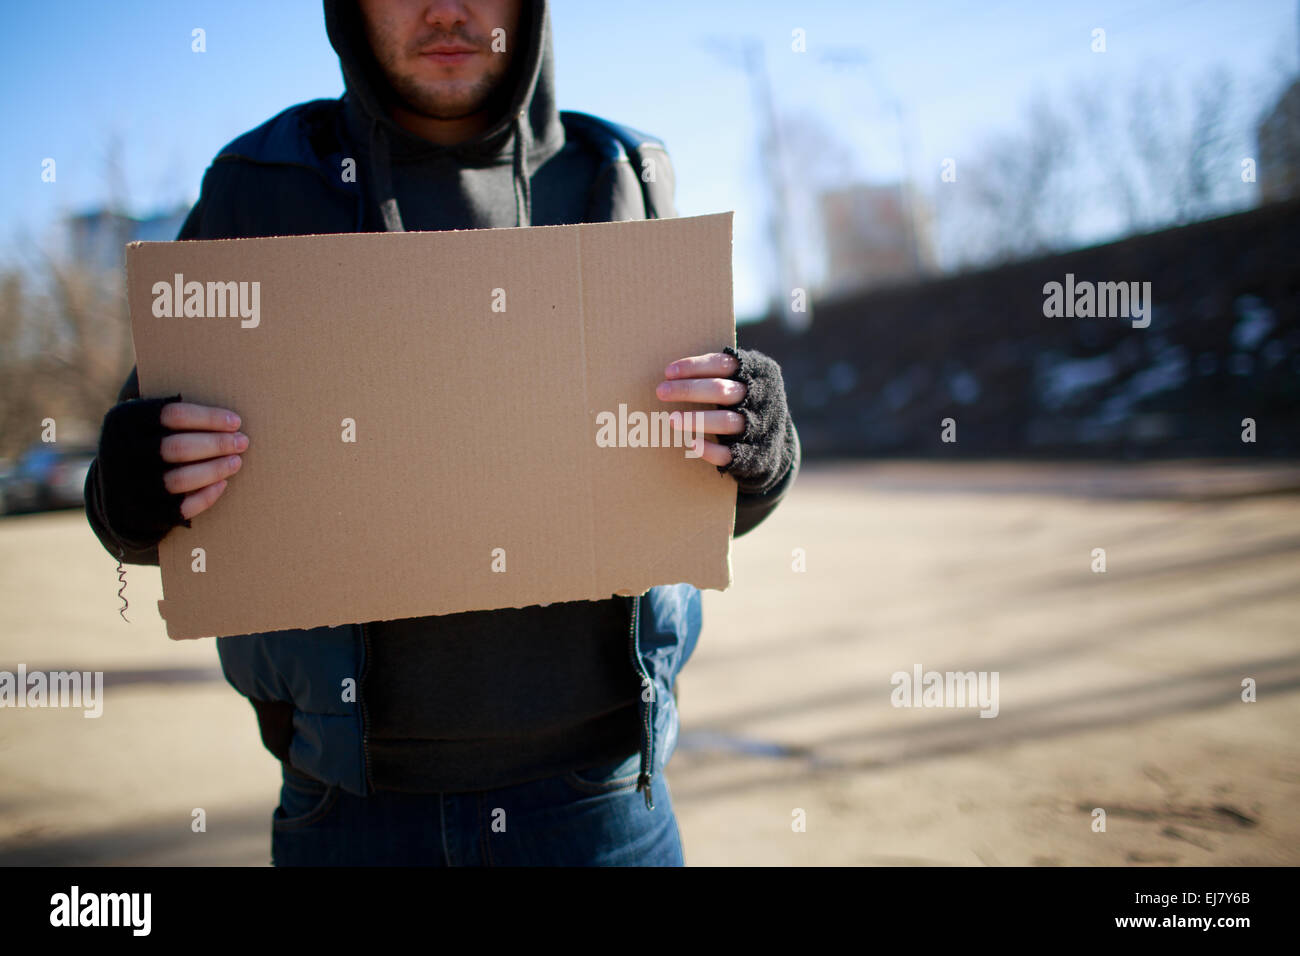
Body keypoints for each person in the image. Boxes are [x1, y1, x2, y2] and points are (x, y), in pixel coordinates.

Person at [85, 0, 800, 866]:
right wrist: (131, 484)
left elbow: (702, 495)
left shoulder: (621, 171)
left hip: (602, 801)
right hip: (347, 810)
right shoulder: (260, 180)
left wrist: (757, 450)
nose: (447, 11)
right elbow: (130, 506)